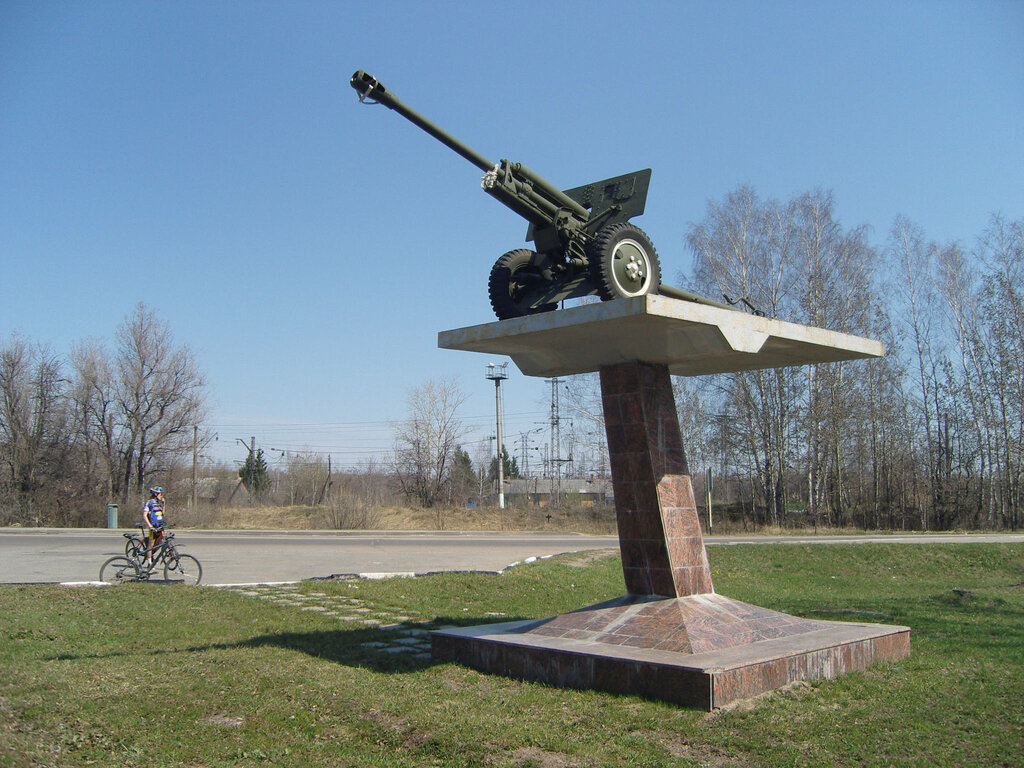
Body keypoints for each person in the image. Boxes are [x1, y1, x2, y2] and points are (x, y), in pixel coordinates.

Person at [142, 487, 166, 567]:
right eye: (160, 494)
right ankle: (149, 562)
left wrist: (163, 504)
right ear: (155, 494)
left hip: (160, 526)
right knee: (151, 544)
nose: (161, 495)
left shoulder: (160, 503)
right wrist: (150, 526)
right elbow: (144, 515)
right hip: (153, 526)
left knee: (163, 540)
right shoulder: (149, 503)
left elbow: (163, 514)